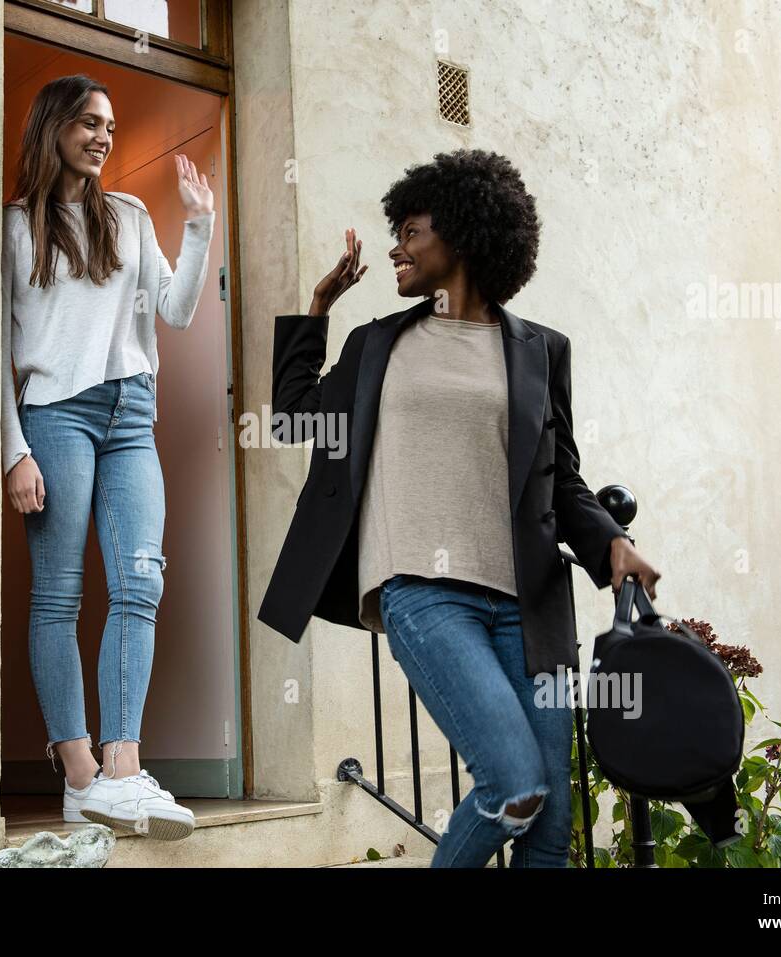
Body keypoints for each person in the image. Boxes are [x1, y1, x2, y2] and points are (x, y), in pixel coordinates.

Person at [256, 148, 661, 866]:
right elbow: (293, 418)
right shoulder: (379, 344)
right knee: (512, 783)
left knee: (549, 827)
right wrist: (317, 309)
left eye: (411, 231)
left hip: (526, 602)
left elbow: (560, 477)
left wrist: (608, 545)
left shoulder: (539, 351)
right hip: (422, 591)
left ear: (465, 236)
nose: (395, 247)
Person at [1, 74, 215, 841]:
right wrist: (14, 448)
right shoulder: (16, 227)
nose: (102, 135)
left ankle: (123, 770)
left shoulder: (126, 215)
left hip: (132, 414)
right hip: (54, 415)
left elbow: (178, 309)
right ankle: (79, 773)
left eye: (112, 126)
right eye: (89, 121)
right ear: (53, 124)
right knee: (59, 596)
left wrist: (199, 227)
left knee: (139, 583)